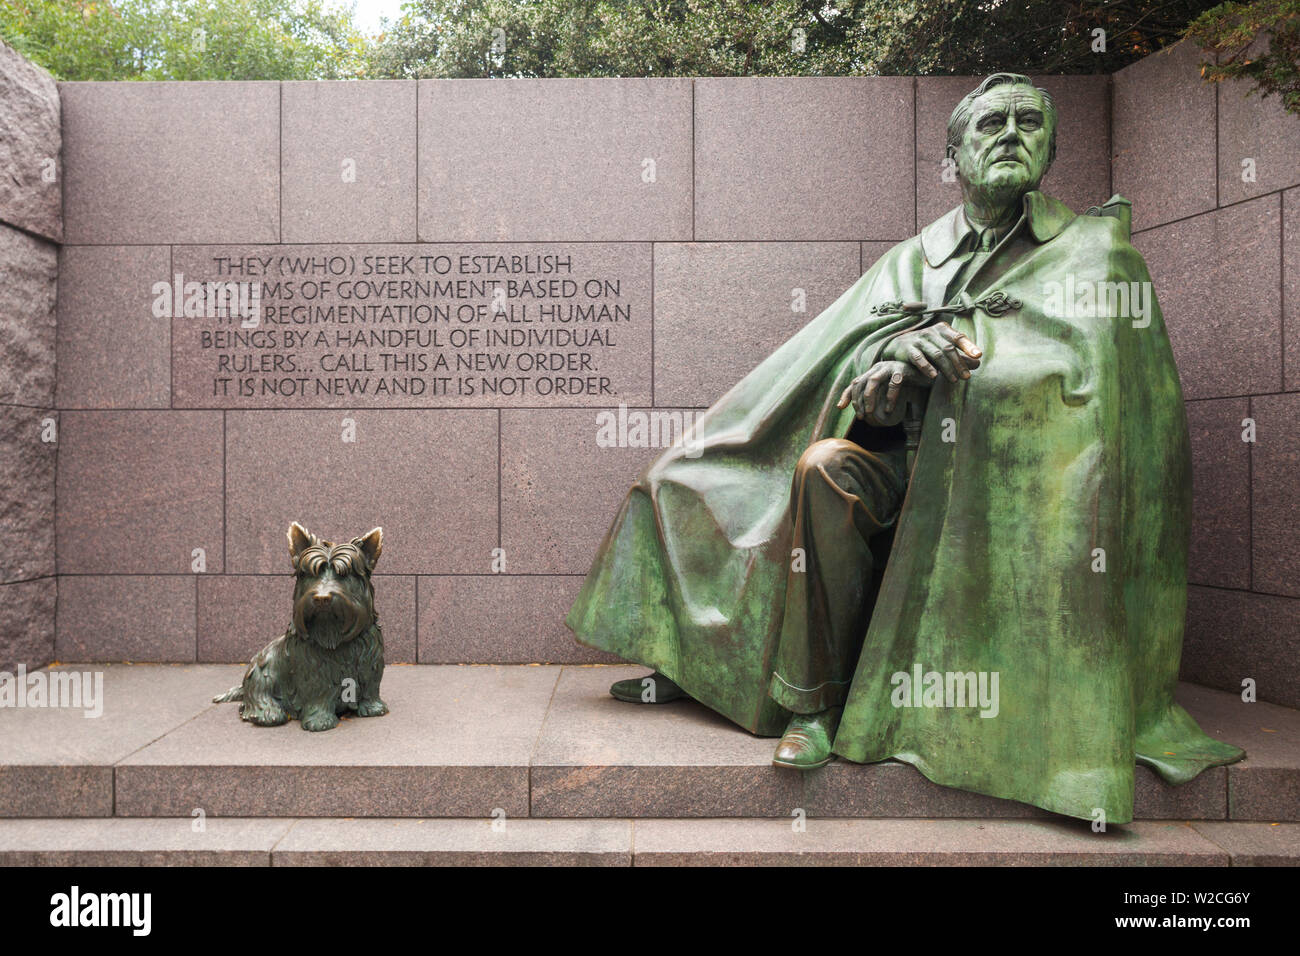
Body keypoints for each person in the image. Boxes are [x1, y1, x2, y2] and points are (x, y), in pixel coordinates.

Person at [566, 73, 1243, 823]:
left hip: (1004, 489)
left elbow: (1105, 411)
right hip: (903, 460)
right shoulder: (913, 258)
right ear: (954, 153)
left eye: (1028, 122)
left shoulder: (1096, 254)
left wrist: (968, 360)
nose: (1010, 135)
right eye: (990, 125)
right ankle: (801, 703)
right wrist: (881, 377)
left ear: (1051, 146)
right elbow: (842, 358)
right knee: (784, 471)